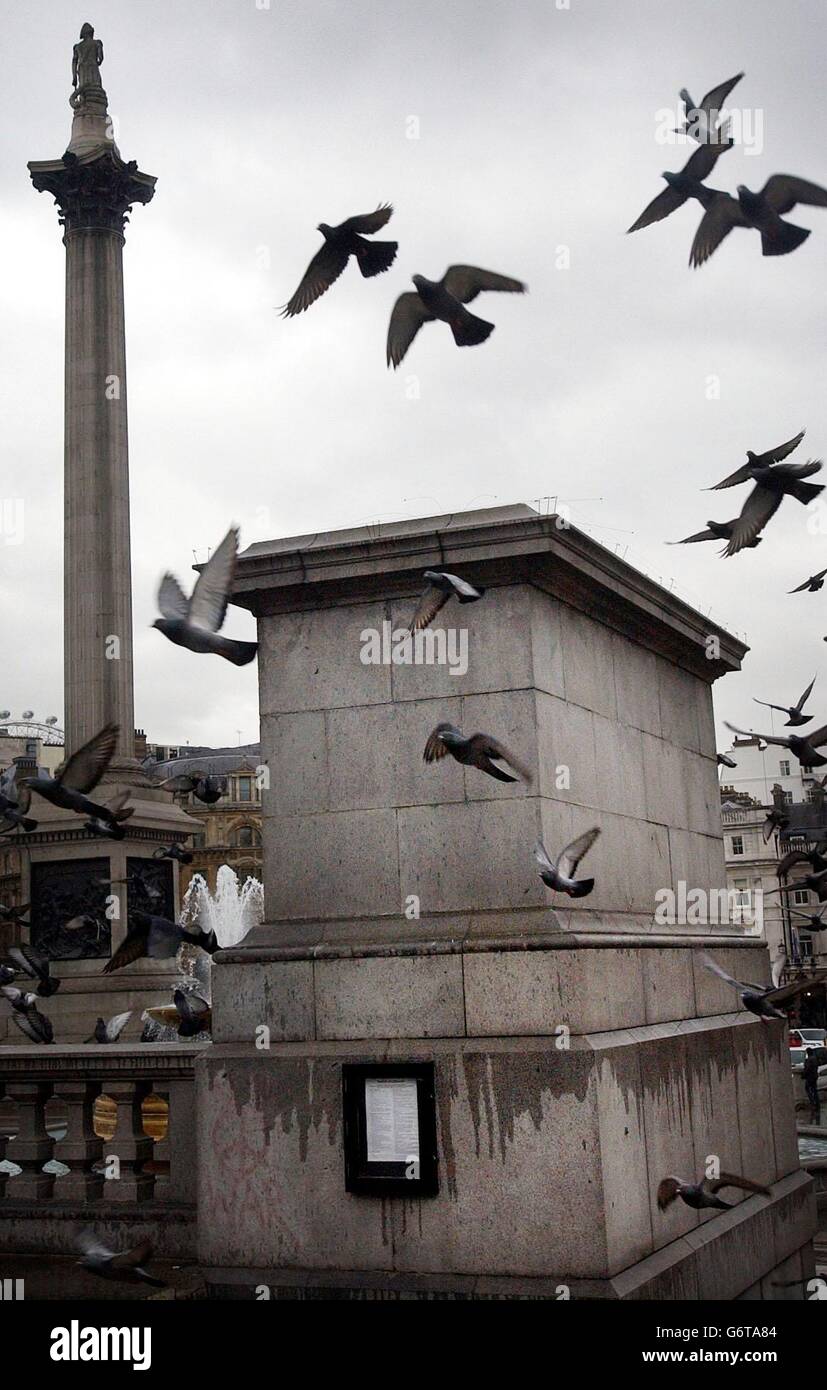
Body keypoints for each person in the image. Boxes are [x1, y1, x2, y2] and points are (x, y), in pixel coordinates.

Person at [803, 1047, 822, 1121]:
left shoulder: (809, 1060)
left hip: (810, 1077)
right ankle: (817, 1104)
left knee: (807, 1088)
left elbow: (807, 1069)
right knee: (814, 1090)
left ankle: (812, 1103)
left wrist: (804, 1075)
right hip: (814, 1076)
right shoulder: (815, 1059)